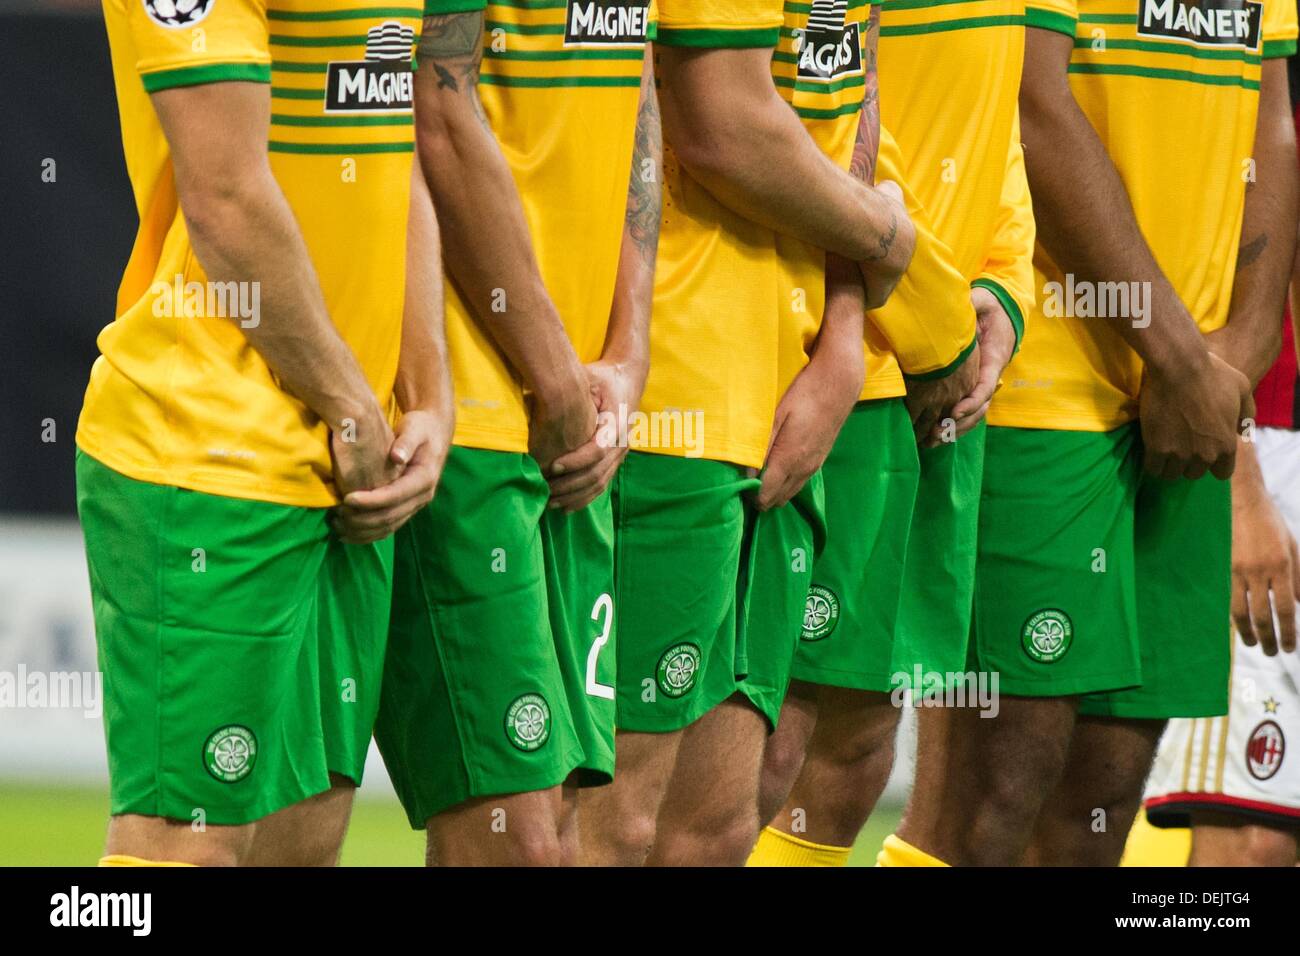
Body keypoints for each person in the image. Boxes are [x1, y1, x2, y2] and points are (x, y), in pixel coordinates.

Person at [82, 1, 450, 867]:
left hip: (350, 460)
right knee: (186, 847)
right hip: (209, 443)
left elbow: (392, 151)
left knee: (299, 844)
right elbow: (224, 197)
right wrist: (355, 405)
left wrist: (426, 395)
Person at [373, 0, 659, 865]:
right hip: (473, 412)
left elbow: (638, 90)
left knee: (562, 828)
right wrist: (555, 374)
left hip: (578, 408)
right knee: (515, 838)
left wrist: (628, 353)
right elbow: (435, 105)